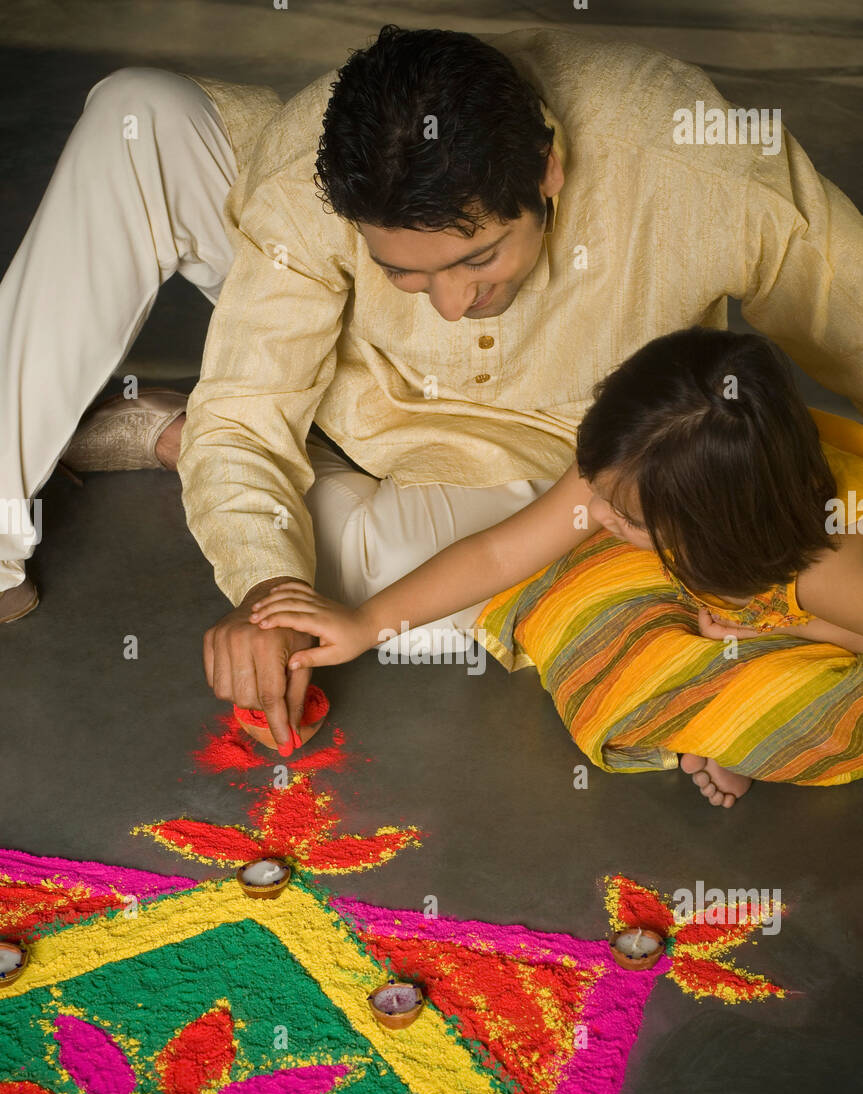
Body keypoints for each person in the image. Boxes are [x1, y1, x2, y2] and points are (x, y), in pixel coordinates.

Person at [3, 27, 863, 755]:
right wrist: (267, 590)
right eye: (401, 271)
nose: (452, 305)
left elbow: (849, 306)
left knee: (469, 600)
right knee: (138, 112)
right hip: (355, 372)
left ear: (549, 172)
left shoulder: (700, 164)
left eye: (479, 259)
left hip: (539, 456)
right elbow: (249, 410)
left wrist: (299, 591)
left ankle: (173, 435)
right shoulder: (308, 177)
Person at [245, 327, 863, 807]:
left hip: (815, 623)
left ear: (713, 529)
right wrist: (365, 622)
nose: (592, 509)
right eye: (594, 485)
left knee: (812, 706)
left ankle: (721, 725)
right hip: (721, 597)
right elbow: (498, 552)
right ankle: (708, 719)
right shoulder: (641, 461)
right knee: (565, 597)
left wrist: (781, 629)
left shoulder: (827, 564)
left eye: (627, 517)